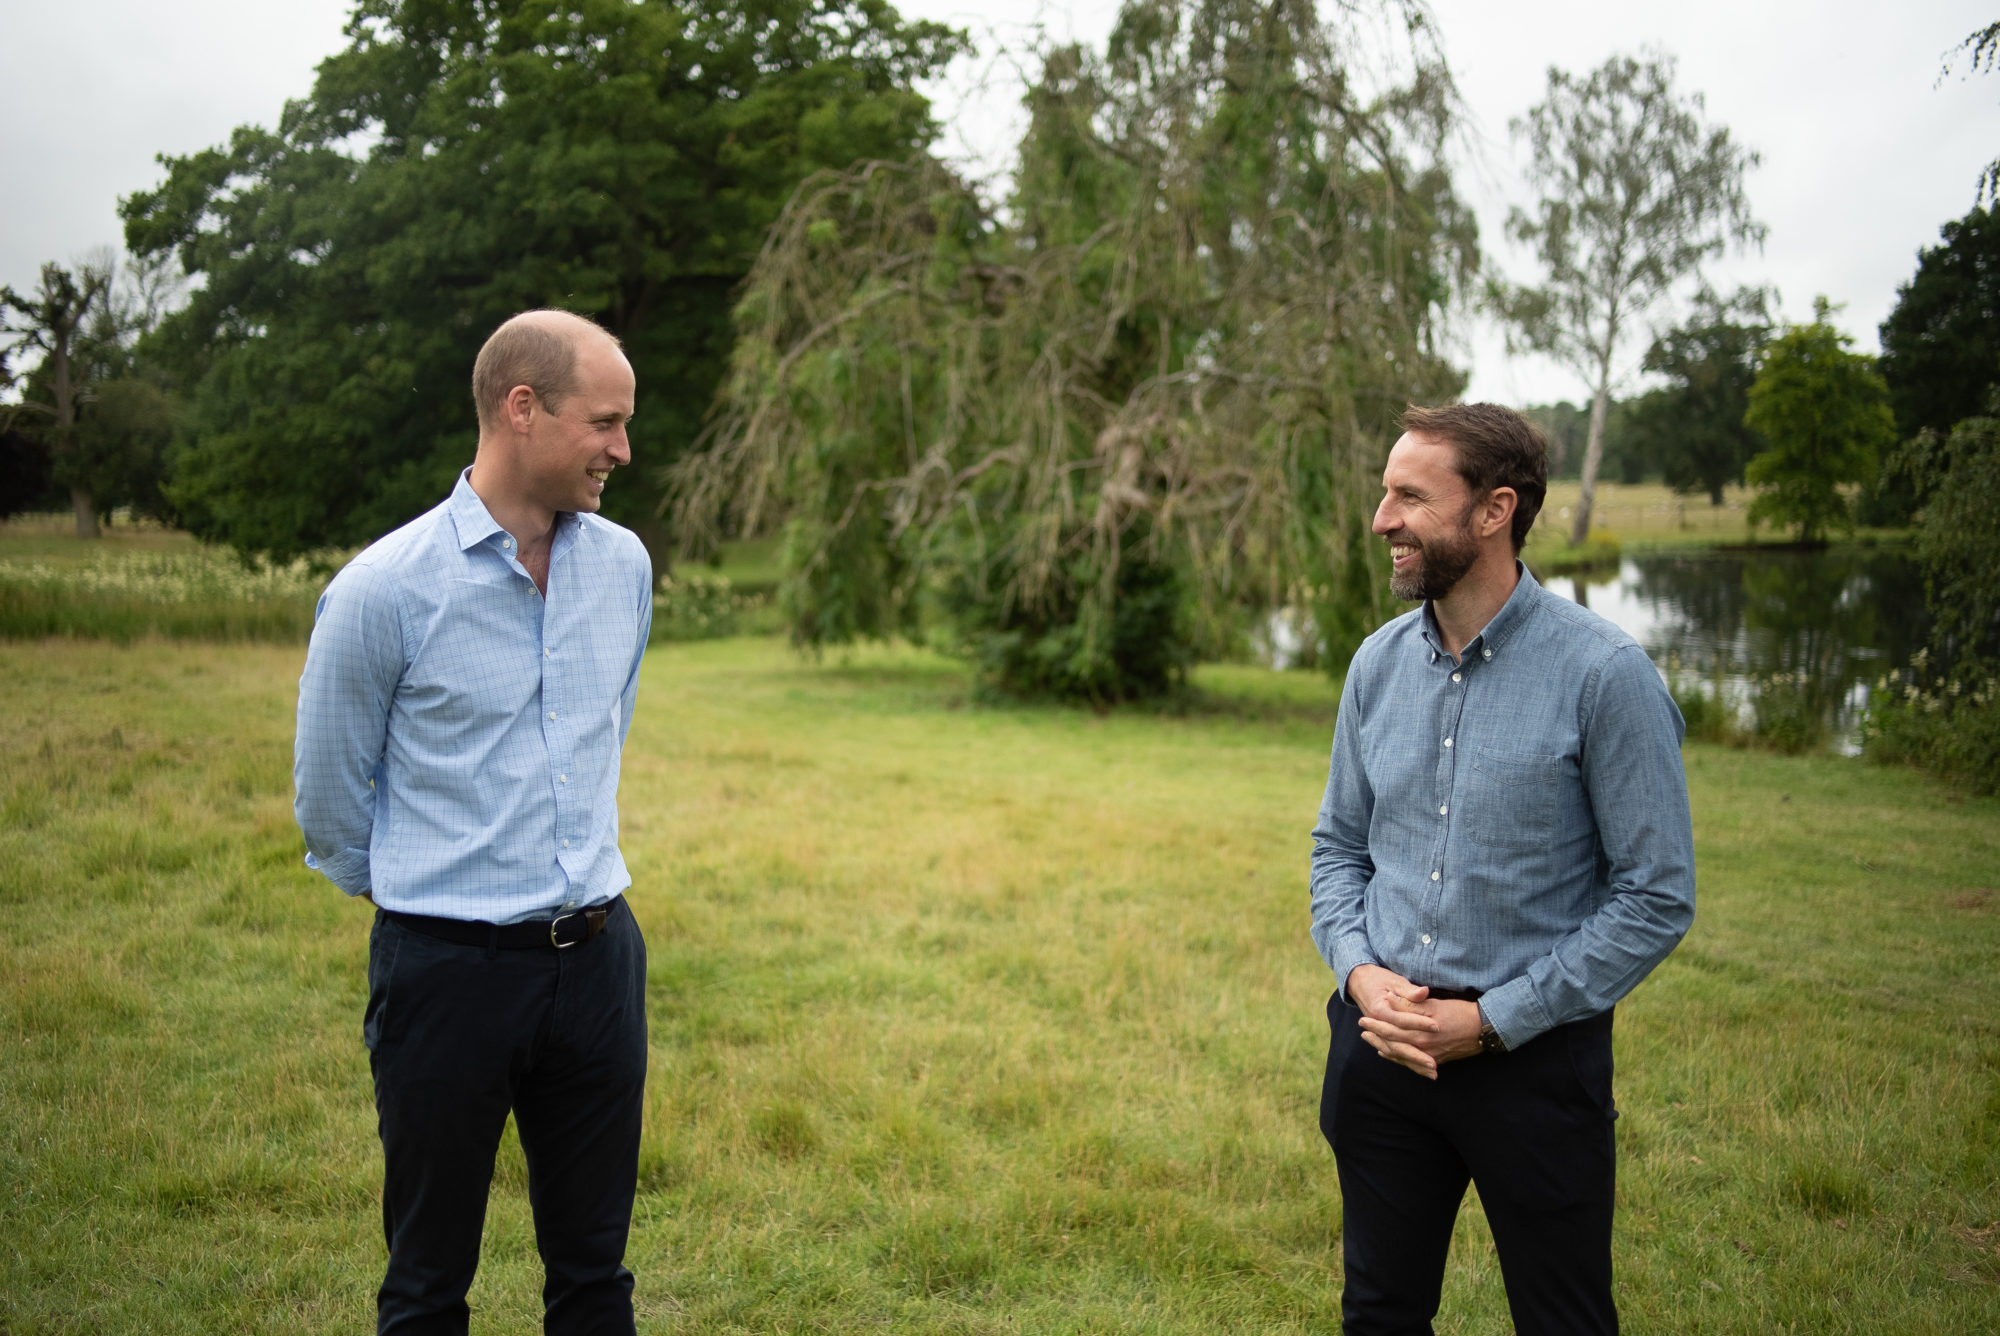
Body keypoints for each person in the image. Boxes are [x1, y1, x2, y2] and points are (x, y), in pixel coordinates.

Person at [295, 309, 654, 1335]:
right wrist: (432, 901)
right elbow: (329, 797)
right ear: (522, 407)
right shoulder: (382, 591)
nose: (623, 450)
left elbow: (607, 729)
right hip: (445, 976)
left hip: (599, 965)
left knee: (595, 1276)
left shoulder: (624, 567)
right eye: (606, 423)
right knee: (428, 1284)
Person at [1308, 402, 1695, 1335]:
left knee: (1564, 1320)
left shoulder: (1605, 675)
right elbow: (1339, 850)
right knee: (1379, 1315)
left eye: (1410, 497)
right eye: (1385, 493)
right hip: (1382, 1050)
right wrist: (1359, 975)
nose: (1382, 520)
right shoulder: (1375, 666)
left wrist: (1488, 1022)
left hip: (1536, 1070)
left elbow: (1654, 897)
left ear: (1495, 510)